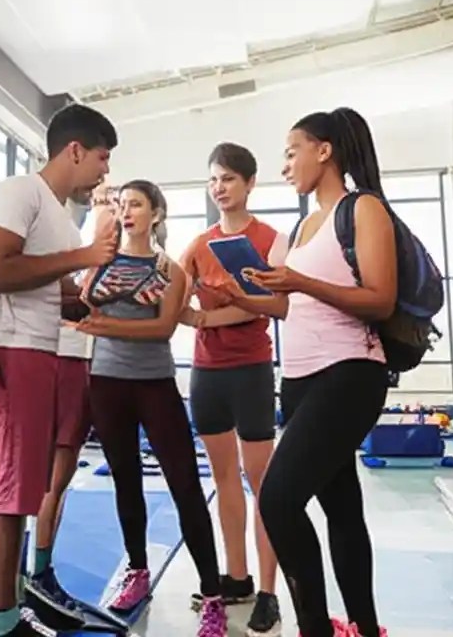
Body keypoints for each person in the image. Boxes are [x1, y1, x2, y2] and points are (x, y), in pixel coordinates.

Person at [224, 108, 394, 637]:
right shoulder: (302, 226)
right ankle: (365, 628)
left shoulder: (362, 209)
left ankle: (314, 628)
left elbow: (380, 300)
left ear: (324, 151)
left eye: (291, 152)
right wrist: (242, 295)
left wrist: (300, 282)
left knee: (276, 499)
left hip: (349, 373)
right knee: (342, 506)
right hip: (298, 379)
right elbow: (292, 306)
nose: (285, 166)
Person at [0, 103, 118, 637]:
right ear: (74, 150)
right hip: (6, 351)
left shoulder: (54, 213)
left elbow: (40, 285)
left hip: (37, 352)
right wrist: (82, 259)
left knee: (22, 497)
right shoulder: (19, 191)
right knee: (6, 497)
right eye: (101, 159)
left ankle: (10, 612)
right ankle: (2, 624)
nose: (104, 172)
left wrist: (84, 300)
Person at [69, 179, 227, 637]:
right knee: (125, 481)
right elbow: (83, 303)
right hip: (106, 383)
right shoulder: (101, 261)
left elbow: (161, 331)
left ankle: (212, 595)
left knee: (185, 487)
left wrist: (104, 326)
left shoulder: (170, 270)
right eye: (121, 204)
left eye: (135, 204)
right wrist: (97, 321)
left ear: (155, 213)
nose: (126, 211)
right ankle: (137, 571)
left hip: (155, 384)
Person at [178, 143, 282, 636]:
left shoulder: (269, 239)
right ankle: (236, 577)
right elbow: (174, 291)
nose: (219, 188)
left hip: (251, 371)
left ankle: (267, 590)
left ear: (249, 184)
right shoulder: (198, 245)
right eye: (214, 179)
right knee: (223, 480)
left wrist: (205, 316)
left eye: (229, 179)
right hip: (207, 373)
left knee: (264, 485)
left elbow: (266, 305)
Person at [23, 184, 98, 625]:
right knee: (51, 475)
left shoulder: (69, 234)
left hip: (69, 357)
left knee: (55, 476)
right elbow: (76, 299)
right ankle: (36, 575)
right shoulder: (72, 235)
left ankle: (34, 572)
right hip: (58, 358)